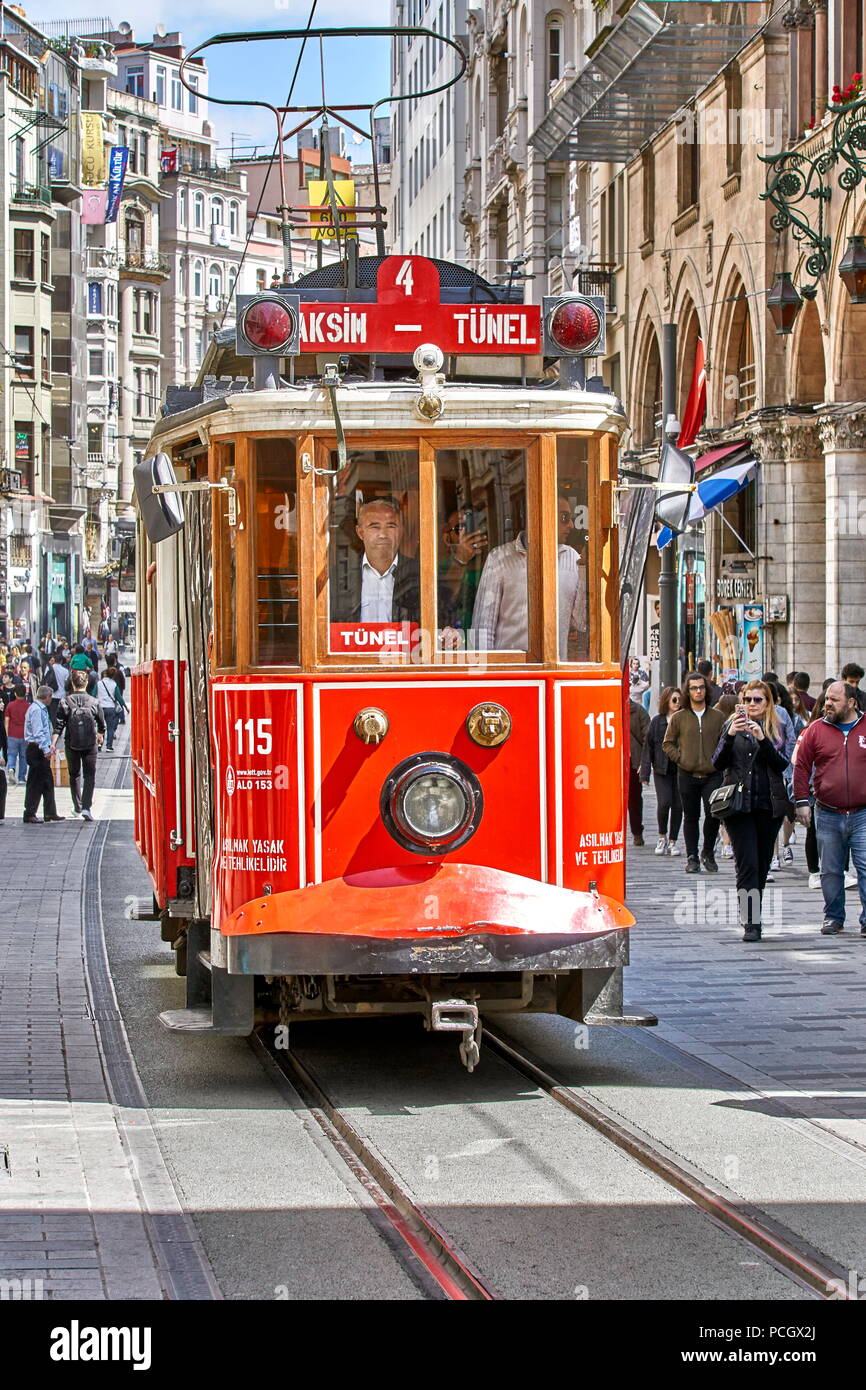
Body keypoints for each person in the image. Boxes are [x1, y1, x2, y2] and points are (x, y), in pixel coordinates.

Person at [712, 680, 791, 941]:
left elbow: (781, 764)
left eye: (758, 700)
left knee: (762, 864)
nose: (752, 705)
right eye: (747, 700)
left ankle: (752, 913)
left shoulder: (776, 728)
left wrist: (762, 738)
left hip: (768, 806)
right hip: (739, 807)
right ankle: (751, 923)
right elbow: (717, 762)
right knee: (747, 864)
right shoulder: (730, 726)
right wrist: (730, 735)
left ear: (768, 703)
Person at [793, 681, 866, 936]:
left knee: (865, 866)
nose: (828, 704)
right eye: (826, 700)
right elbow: (801, 766)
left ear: (852, 702)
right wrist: (802, 801)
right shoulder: (815, 730)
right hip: (827, 812)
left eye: (834, 700)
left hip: (863, 814)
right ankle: (833, 917)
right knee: (831, 869)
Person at [471, 496, 586, 658]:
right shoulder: (499, 558)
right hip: (511, 674)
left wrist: (583, 571)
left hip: (555, 671)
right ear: (541, 515)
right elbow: (482, 629)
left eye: (570, 518)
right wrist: (488, 676)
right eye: (564, 517)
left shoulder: (573, 558)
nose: (571, 525)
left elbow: (581, 623)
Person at [662, 672, 727, 873]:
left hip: (712, 774)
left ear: (706, 690)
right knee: (690, 816)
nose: (698, 691)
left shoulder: (718, 716)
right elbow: (667, 743)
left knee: (713, 814)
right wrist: (681, 758)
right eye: (693, 688)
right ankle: (692, 856)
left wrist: (719, 761)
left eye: (701, 687)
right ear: (687, 692)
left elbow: (725, 742)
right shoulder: (679, 717)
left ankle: (708, 852)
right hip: (687, 773)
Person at [331, 497, 421, 624]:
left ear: (401, 530)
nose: (383, 534)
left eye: (391, 526)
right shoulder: (340, 576)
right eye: (374, 527)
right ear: (360, 532)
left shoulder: (419, 573)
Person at [54, 670, 105, 819]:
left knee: (74, 775)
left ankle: (77, 806)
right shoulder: (94, 702)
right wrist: (100, 734)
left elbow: (58, 725)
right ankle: (86, 808)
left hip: (71, 743)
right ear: (87, 683)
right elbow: (102, 723)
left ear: (72, 683)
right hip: (90, 744)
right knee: (89, 775)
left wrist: (53, 743)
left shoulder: (65, 701)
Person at [640, 685, 683, 856]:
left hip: (682, 769)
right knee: (664, 803)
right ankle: (662, 836)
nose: (677, 703)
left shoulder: (685, 719)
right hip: (661, 769)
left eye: (679, 699)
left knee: (679, 806)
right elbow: (648, 746)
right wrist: (644, 773)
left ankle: (673, 841)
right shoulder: (657, 721)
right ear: (666, 700)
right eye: (674, 699)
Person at [23, 685, 64, 824]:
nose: (51, 700)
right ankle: (29, 812)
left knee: (47, 781)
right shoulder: (36, 710)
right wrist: (45, 749)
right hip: (36, 750)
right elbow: (38, 732)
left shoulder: (41, 709)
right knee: (35, 782)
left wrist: (49, 745)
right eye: (50, 697)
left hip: (41, 748)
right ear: (46, 697)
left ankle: (50, 812)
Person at [628, 698, 650, 846]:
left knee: (634, 799)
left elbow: (647, 738)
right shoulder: (605, 706)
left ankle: (637, 831)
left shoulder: (638, 710)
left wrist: (644, 762)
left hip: (632, 761)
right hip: (611, 760)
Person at [4, 685, 29, 785]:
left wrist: (7, 733)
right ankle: (22, 778)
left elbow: (7, 720)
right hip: (24, 735)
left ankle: (11, 768)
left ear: (15, 693)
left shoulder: (10, 705)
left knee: (11, 754)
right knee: (23, 757)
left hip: (12, 734)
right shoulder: (28, 706)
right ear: (25, 693)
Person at [95, 667, 123, 750]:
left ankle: (99, 744)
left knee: (100, 726)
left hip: (100, 707)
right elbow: (119, 697)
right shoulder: (114, 684)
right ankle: (109, 746)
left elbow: (93, 694)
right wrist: (124, 706)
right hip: (110, 708)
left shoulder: (99, 684)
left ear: (105, 674)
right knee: (110, 728)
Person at [44, 651, 70, 725]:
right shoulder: (65, 671)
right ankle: (60, 727)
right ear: (61, 661)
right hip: (62, 695)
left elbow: (45, 680)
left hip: (51, 695)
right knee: (61, 714)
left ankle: (55, 729)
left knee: (52, 714)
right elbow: (66, 684)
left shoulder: (49, 669)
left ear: (54, 660)